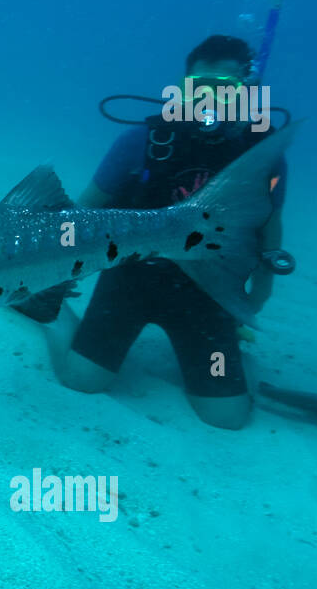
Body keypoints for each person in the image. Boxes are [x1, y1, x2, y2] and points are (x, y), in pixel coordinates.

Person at [37, 35, 289, 429]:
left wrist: (263, 287)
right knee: (81, 379)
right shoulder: (142, 141)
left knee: (227, 418)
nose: (209, 101)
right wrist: (54, 275)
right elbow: (84, 211)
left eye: (226, 90)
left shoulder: (263, 156)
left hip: (209, 292)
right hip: (132, 279)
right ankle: (47, 312)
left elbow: (269, 220)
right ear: (183, 87)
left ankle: (234, 354)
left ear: (247, 92)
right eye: (199, 88)